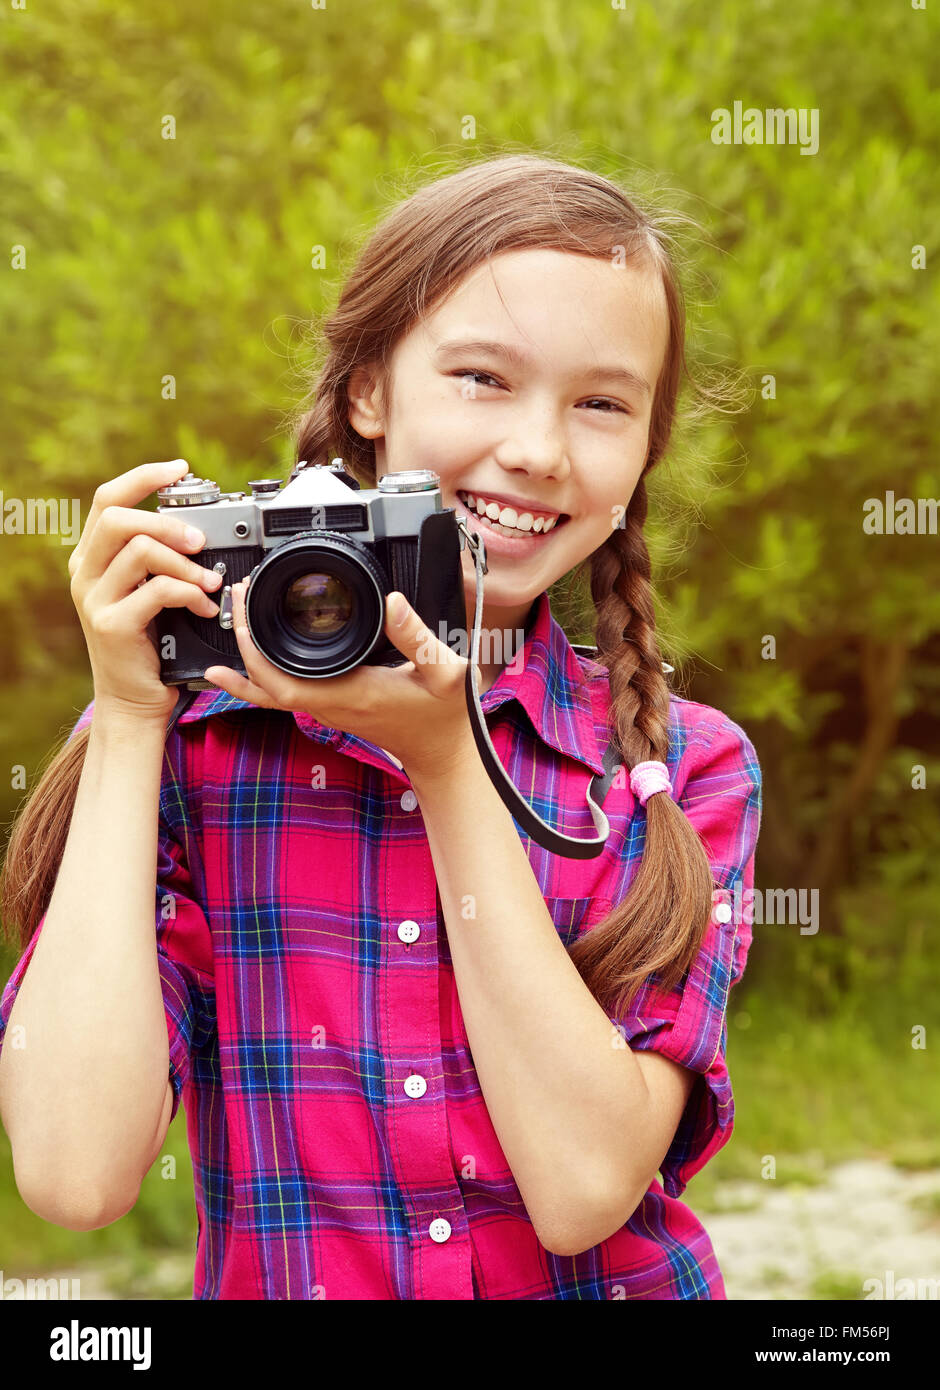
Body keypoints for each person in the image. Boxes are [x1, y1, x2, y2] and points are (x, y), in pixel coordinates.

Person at [0, 153, 761, 1300]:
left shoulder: (679, 767)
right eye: (482, 378)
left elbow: (583, 1188)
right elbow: (72, 1172)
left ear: (646, 446)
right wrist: (126, 713)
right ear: (369, 393)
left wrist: (445, 764)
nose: (540, 449)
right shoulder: (191, 740)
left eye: (602, 403)